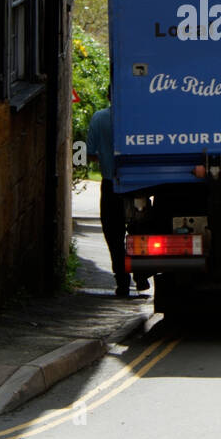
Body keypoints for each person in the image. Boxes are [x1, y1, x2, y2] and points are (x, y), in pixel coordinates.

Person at [86, 94, 149, 297]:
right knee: (139, 231)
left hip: (110, 184)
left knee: (113, 235)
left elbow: (89, 152)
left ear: (107, 96)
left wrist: (105, 157)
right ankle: (140, 276)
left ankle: (122, 282)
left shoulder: (99, 118)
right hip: (137, 185)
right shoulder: (141, 117)